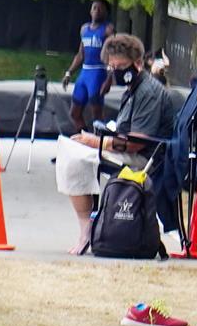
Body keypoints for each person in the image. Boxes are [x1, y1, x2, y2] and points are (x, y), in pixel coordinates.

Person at [53, 32, 182, 254]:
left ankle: (87, 230)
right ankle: (90, 226)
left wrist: (96, 141)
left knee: (75, 157)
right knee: (71, 146)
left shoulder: (147, 91)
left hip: (147, 159)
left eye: (121, 66)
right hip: (136, 149)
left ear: (138, 63)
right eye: (112, 67)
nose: (117, 72)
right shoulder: (135, 88)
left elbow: (136, 143)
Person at [60, 0, 113, 135]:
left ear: (106, 13)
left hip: (98, 72)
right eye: (94, 7)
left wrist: (109, 79)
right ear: (90, 10)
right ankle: (84, 138)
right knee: (74, 113)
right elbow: (80, 55)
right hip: (84, 72)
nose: (96, 10)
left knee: (97, 114)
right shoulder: (84, 29)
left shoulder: (107, 30)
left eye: (100, 8)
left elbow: (112, 56)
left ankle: (99, 142)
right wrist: (69, 72)